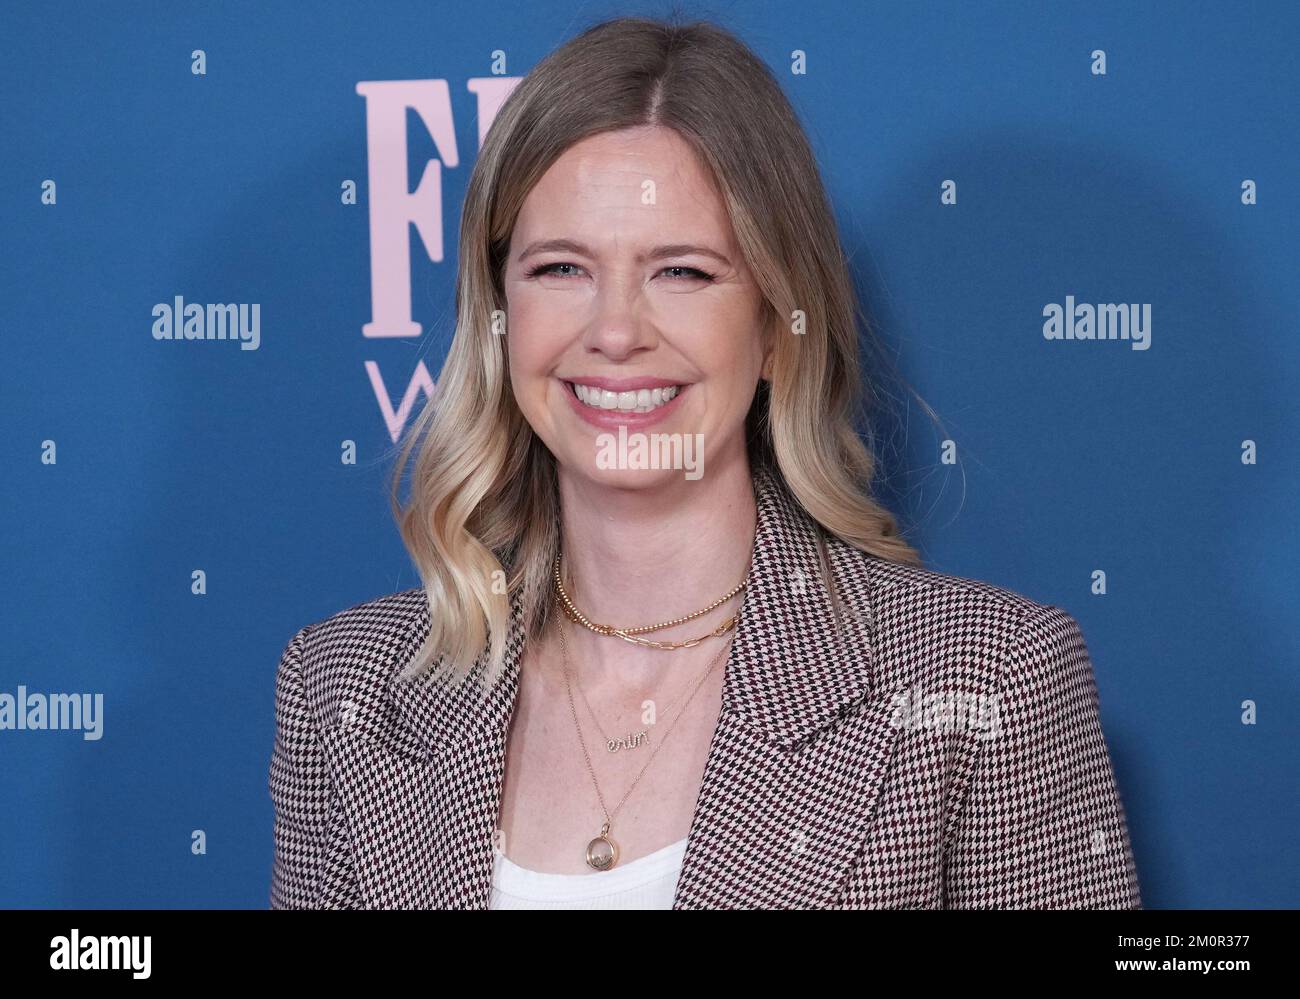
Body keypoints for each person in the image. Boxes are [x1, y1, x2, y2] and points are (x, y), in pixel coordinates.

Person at [268, 14, 1141, 909]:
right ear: (498, 312)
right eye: (561, 268)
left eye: (680, 272)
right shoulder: (343, 689)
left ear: (775, 323)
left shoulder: (985, 679)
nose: (614, 332)